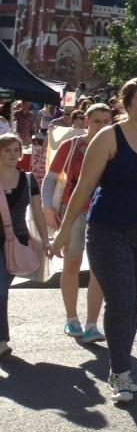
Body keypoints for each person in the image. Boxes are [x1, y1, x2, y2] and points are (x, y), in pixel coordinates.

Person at [54, 78, 137, 402]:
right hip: (107, 230)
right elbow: (84, 187)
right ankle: (120, 373)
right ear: (125, 104)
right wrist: (62, 230)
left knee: (135, 302)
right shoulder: (108, 137)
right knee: (122, 299)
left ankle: (121, 363)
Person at [43, 104, 114, 344]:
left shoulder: (115, 149)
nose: (103, 126)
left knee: (99, 270)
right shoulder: (71, 146)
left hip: (103, 216)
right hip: (73, 214)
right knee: (72, 264)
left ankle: (92, 324)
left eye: (107, 121)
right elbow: (50, 180)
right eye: (97, 121)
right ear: (86, 122)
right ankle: (71, 318)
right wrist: (48, 208)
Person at [0, 133, 49, 361]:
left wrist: (45, 240)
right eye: (7, 150)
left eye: (16, 150)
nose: (12, 154)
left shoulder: (29, 180)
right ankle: (1, 341)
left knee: (2, 289)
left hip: (17, 241)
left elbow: (38, 212)